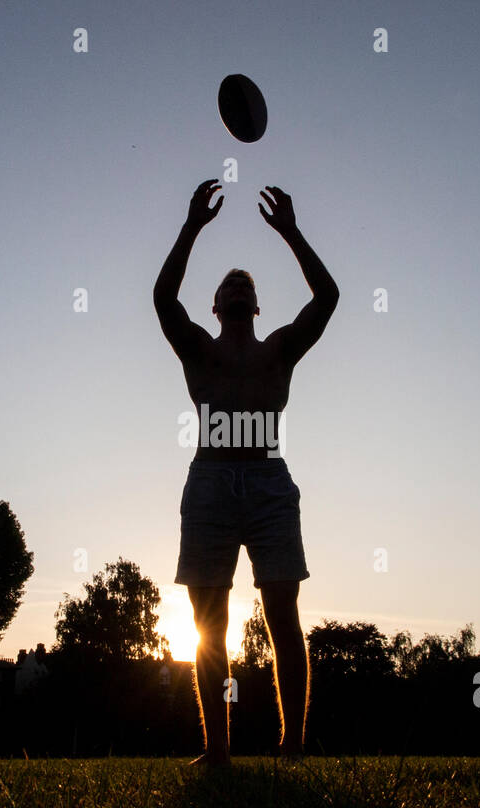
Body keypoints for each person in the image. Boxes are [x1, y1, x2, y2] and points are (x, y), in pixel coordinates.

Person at [152, 179, 339, 765]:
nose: (236, 288)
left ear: (256, 307)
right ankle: (218, 750)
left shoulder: (278, 349)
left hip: (266, 481)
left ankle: (293, 745)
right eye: (228, 284)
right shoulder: (199, 350)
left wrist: (289, 231)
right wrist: (191, 226)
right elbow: (162, 299)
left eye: (245, 285)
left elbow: (328, 297)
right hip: (208, 482)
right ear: (215, 306)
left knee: (283, 612)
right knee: (209, 618)